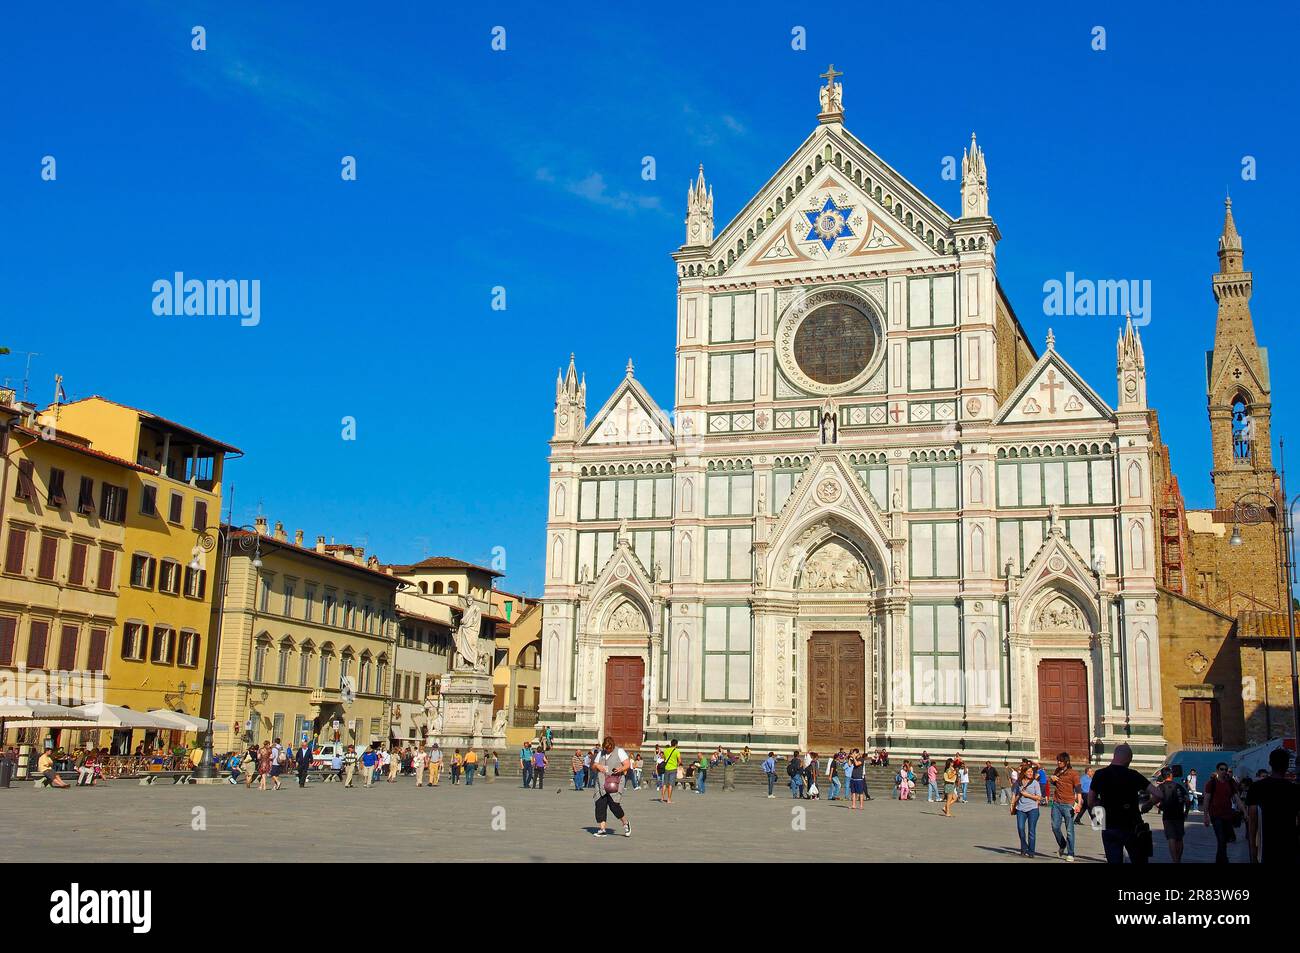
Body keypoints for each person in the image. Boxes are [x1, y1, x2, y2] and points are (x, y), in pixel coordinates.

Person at [1087, 744, 1163, 864]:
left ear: (1114, 756)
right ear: (1129, 759)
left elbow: (1091, 800)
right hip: (1132, 826)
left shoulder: (1100, 774)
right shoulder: (1134, 775)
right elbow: (1158, 794)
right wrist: (1148, 804)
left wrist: (1098, 818)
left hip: (1109, 826)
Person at [1245, 747, 1300, 864]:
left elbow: (1252, 822)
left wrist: (1253, 851)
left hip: (1266, 847)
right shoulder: (1295, 790)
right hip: (1290, 846)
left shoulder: (1256, 788)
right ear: (1286, 765)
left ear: (1270, 764)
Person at [591, 735, 632, 837]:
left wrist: (620, 769)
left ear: (613, 746)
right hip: (601, 782)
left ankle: (625, 823)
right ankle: (602, 829)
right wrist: (597, 765)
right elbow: (593, 766)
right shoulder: (601, 753)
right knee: (600, 804)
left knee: (614, 805)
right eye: (606, 748)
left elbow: (627, 764)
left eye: (610, 749)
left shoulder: (619, 751)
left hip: (615, 782)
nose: (608, 750)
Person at [1202, 761, 1242, 864]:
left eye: (1225, 769)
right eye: (1222, 769)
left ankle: (1222, 859)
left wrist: (1245, 812)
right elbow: (1206, 800)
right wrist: (1205, 816)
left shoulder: (1230, 783)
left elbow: (1237, 799)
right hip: (1216, 815)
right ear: (1217, 771)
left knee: (1224, 840)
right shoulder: (1211, 784)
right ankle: (1223, 860)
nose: (1224, 771)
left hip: (1227, 815)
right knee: (1221, 840)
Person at [1048, 752, 1082, 861]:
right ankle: (1062, 844)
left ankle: (1071, 853)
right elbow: (1055, 783)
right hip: (1057, 803)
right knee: (1055, 827)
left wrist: (1079, 804)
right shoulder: (1057, 771)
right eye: (1058, 760)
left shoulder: (1073, 773)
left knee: (1069, 830)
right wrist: (1052, 778)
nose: (1058, 762)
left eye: (1061, 761)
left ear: (1066, 762)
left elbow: (1078, 790)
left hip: (1068, 804)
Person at [1154, 767, 1191, 863]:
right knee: (1179, 838)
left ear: (1162, 776)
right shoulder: (1179, 786)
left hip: (1167, 816)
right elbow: (1187, 800)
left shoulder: (1161, 787)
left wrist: (1161, 807)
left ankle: (1175, 860)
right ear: (1171, 775)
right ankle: (1178, 859)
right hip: (1179, 815)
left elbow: (1155, 800)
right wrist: (1186, 812)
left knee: (1171, 838)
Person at [1012, 763, 1042, 857]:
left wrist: (1027, 795)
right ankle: (1024, 847)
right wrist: (1012, 805)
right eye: (1028, 772)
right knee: (1020, 828)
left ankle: (1031, 851)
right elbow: (1014, 794)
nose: (1030, 773)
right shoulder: (1018, 782)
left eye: (1031, 772)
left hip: (1033, 809)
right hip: (1021, 808)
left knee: (1031, 831)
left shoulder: (1035, 783)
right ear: (1024, 772)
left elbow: (1039, 797)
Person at [661, 739, 681, 804]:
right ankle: (669, 799)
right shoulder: (676, 751)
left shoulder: (666, 750)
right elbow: (680, 761)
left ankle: (662, 797)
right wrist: (677, 763)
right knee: (670, 784)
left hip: (666, 768)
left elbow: (664, 758)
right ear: (676, 744)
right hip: (673, 768)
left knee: (665, 784)